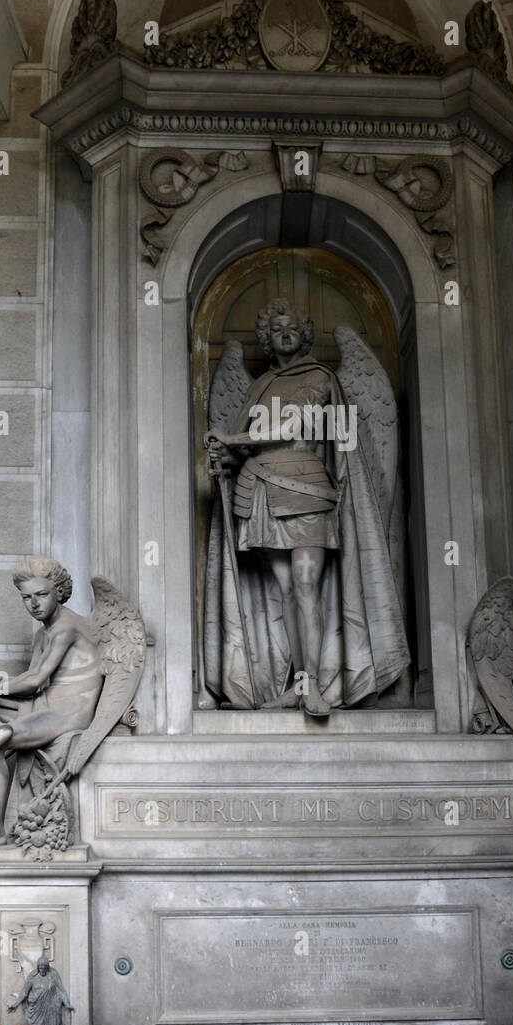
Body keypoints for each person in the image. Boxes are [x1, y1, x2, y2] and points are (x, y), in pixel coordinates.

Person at [204, 299, 409, 716]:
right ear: (266, 337)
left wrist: (233, 440)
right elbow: (245, 438)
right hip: (259, 491)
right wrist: (224, 457)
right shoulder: (259, 385)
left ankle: (315, 685)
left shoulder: (319, 376)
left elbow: (294, 425)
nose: (284, 333)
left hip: (307, 488)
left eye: (292, 326)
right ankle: (297, 685)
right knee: (285, 591)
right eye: (276, 328)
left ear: (305, 333)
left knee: (305, 583)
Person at [0, 558, 104, 860]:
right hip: (43, 705)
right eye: (26, 597)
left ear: (59, 592)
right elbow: (27, 680)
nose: (33, 604)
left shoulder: (68, 627)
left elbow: (36, 680)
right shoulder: (42, 634)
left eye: (41, 595)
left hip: (68, 713)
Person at [8, 955, 73, 1025]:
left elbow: (61, 991)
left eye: (44, 967)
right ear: (38, 967)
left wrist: (67, 1004)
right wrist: (15, 1004)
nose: (42, 969)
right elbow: (24, 992)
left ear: (47, 967)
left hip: (51, 1010)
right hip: (37, 1010)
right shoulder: (33, 978)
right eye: (40, 967)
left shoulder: (53, 976)